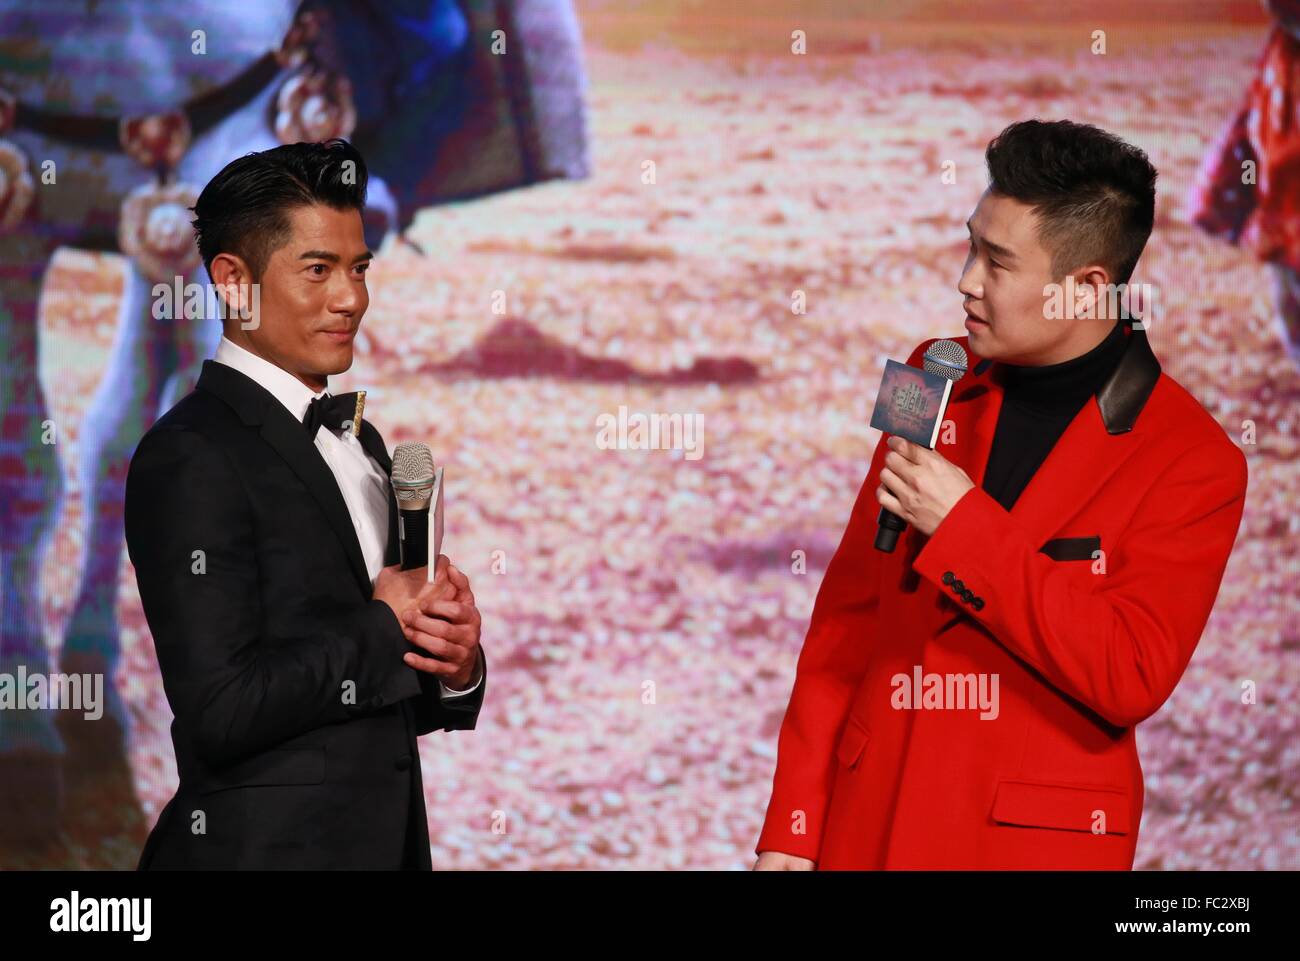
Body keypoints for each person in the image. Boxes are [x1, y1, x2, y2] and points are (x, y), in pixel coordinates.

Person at [755, 120, 1248, 870]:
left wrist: (961, 525)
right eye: (970, 245)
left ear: (1084, 289)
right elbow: (846, 618)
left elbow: (1130, 671)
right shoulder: (929, 371)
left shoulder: (1196, 460)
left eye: (997, 262)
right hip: (867, 823)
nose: (965, 280)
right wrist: (793, 824)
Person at [125, 139, 485, 869]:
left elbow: (367, 699)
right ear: (234, 281)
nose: (351, 297)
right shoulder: (191, 453)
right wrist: (387, 625)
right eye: (317, 269)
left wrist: (452, 664)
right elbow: (222, 710)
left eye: (359, 268)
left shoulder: (366, 443)